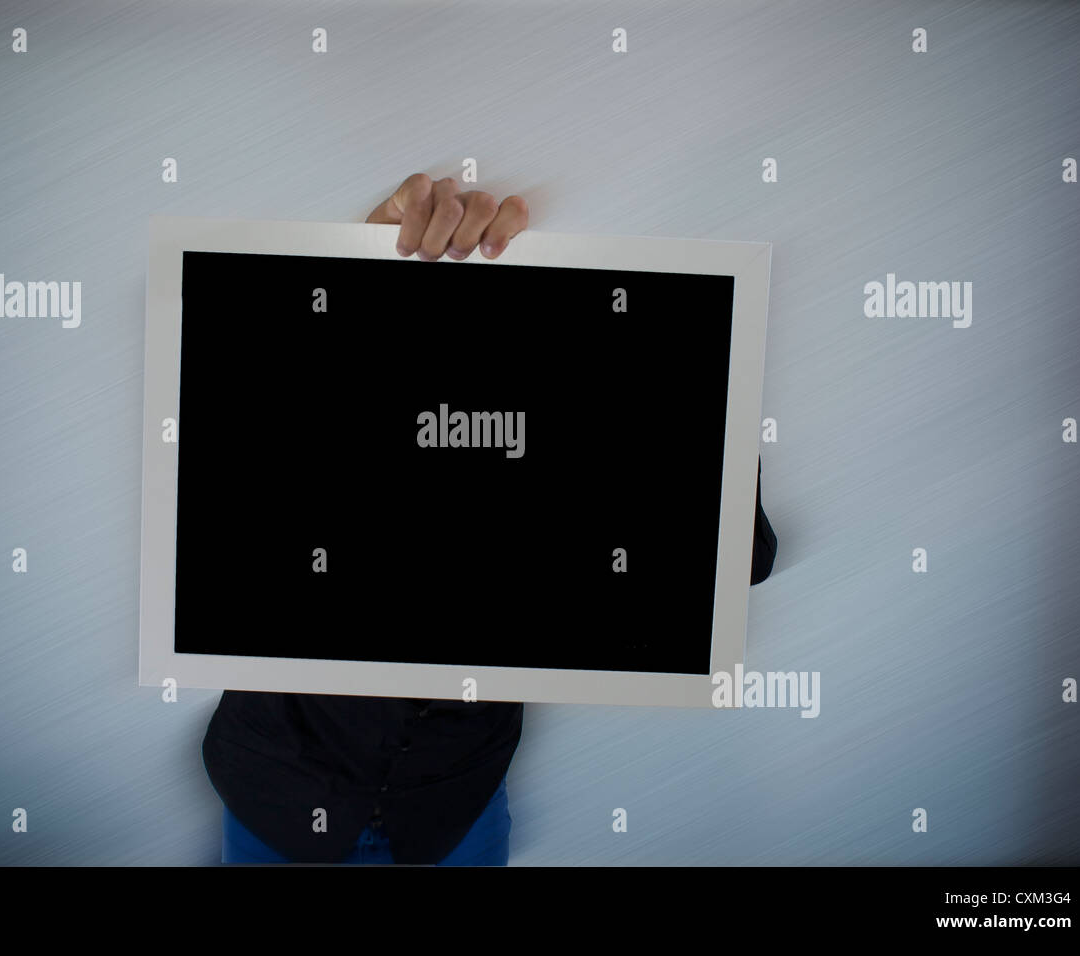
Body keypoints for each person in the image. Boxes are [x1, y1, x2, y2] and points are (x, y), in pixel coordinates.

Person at [201, 173, 778, 865]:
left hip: (450, 812)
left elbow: (740, 561)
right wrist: (355, 267)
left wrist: (704, 374)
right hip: (278, 792)